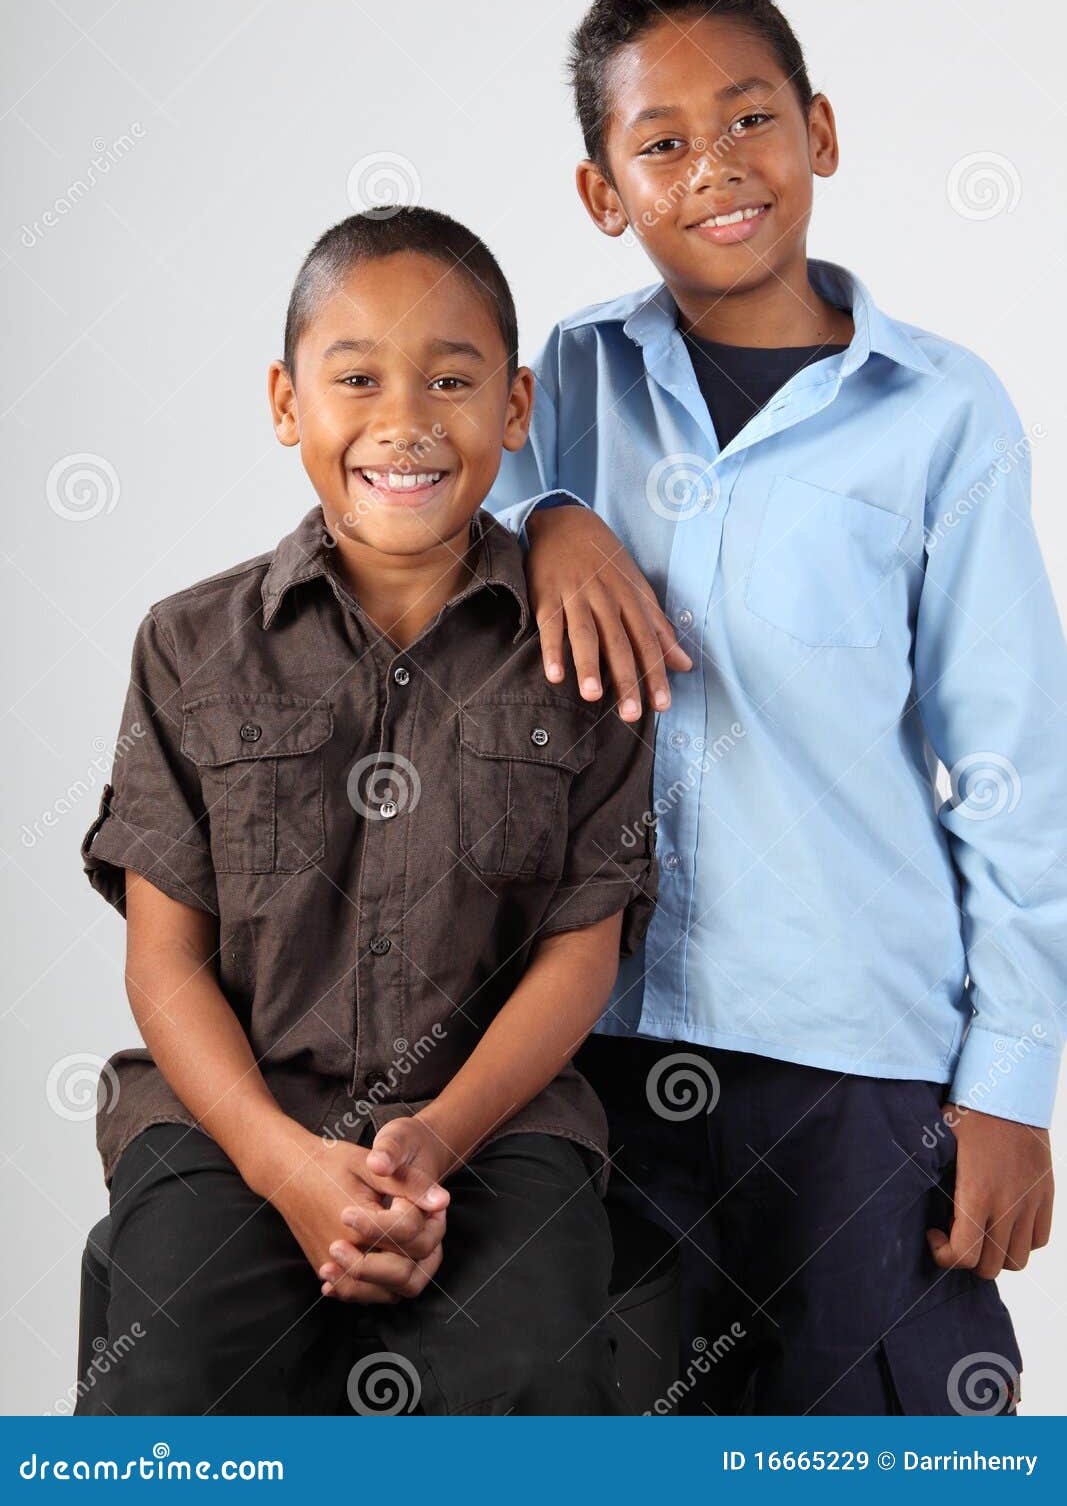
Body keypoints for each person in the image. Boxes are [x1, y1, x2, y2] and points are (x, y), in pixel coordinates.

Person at [487, 0, 1066, 1415]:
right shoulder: (558, 382)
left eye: (748, 118)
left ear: (817, 128)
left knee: (878, 1434)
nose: (715, 167)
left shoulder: (941, 413)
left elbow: (1011, 764)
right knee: (618, 1429)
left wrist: (1007, 1077)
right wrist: (548, 510)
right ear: (600, 193)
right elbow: (427, 520)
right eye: (659, 141)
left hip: (851, 1057)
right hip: (585, 1043)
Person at [77, 207, 659, 1416]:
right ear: (289, 403)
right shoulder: (189, 645)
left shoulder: (581, 656)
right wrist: (285, 1164)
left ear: (513, 410)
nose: (405, 420)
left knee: (532, 1374)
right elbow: (164, 962)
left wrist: (436, 1139)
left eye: (452, 379)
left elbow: (579, 950)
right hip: (229, 1116)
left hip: (493, 1128)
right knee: (168, 1373)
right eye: (357, 379)